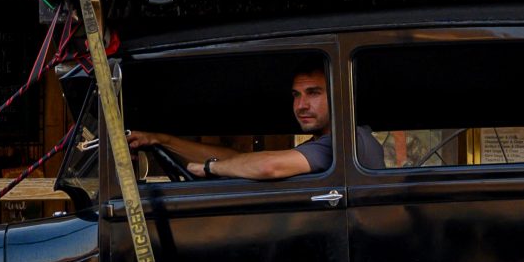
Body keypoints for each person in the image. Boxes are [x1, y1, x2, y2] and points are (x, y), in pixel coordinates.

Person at [131, 56, 375, 181]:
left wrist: (211, 168)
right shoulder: (326, 143)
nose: (301, 105)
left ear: (340, 95)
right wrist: (161, 140)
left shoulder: (345, 142)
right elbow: (240, 160)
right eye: (296, 95)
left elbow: (268, 166)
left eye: (313, 93)